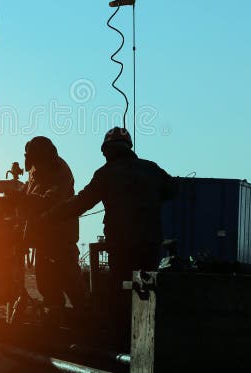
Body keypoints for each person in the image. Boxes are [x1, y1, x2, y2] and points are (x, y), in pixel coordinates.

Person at [38, 127, 176, 348]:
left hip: (121, 247)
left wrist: (49, 216)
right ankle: (147, 343)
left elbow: (80, 203)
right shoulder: (151, 169)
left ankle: (119, 345)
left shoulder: (105, 174)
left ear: (106, 151)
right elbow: (173, 189)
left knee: (119, 294)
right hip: (149, 245)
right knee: (147, 292)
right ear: (129, 148)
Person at [20, 136, 86, 320]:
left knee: (70, 278)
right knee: (45, 280)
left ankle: (86, 318)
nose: (36, 167)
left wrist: (22, 199)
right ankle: (55, 314)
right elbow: (31, 192)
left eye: (39, 162)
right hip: (43, 236)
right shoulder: (35, 168)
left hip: (61, 237)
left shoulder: (61, 172)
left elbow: (50, 201)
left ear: (48, 158)